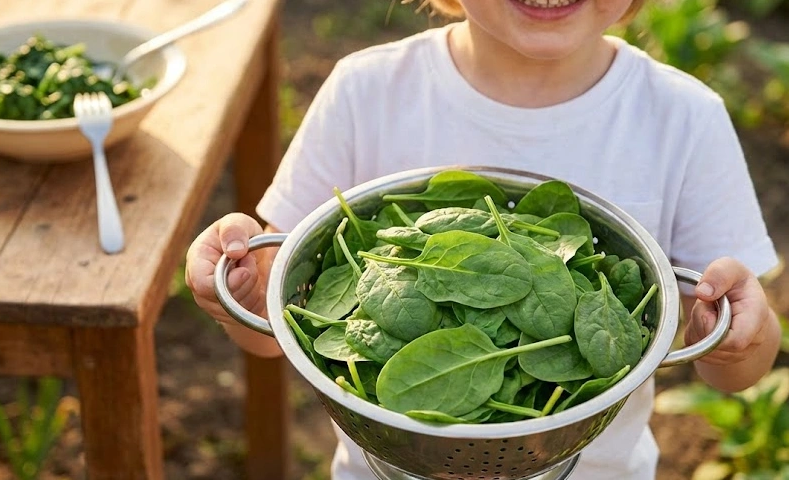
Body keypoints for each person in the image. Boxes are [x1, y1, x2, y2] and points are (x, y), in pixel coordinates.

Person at [185, 0, 783, 477]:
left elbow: (738, 363)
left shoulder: (684, 118)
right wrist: (237, 284)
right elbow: (276, 326)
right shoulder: (366, 93)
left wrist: (732, 341)